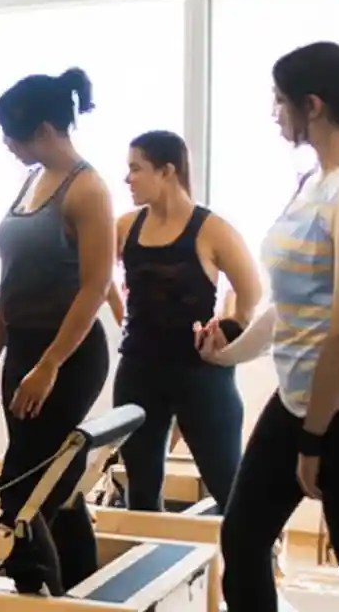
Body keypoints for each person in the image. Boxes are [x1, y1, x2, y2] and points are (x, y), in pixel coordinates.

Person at [200, 41, 339, 611]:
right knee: (242, 537)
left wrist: (314, 440)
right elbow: (291, 303)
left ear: (312, 105)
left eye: (279, 100)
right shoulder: (313, 182)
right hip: (303, 400)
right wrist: (229, 352)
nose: (274, 112)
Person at [0, 66, 114, 595]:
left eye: (12, 134)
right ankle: (81, 589)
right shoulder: (32, 180)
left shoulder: (88, 189)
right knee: (59, 482)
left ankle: (36, 596)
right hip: (23, 347)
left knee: (22, 492)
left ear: (46, 131)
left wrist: (50, 365)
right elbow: (12, 285)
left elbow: (95, 287)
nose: (7, 144)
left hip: (69, 353)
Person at [109, 130, 262, 513]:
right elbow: (95, 280)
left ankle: (259, 565)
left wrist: (228, 331)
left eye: (136, 169)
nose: (127, 179)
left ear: (167, 172)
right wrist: (121, 316)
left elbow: (252, 292)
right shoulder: (125, 226)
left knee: (228, 484)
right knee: (140, 492)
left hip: (200, 374)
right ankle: (149, 568)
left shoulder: (212, 229)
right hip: (139, 371)